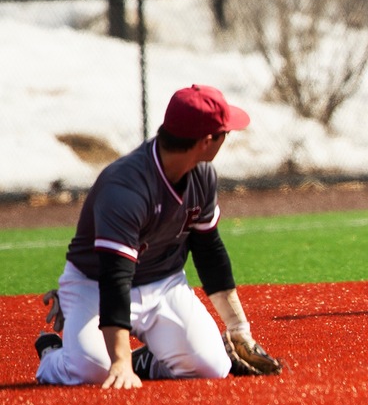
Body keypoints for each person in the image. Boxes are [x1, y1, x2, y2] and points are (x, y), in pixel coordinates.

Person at [35, 84, 283, 387]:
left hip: (163, 283)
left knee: (213, 365)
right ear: (206, 141)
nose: (227, 138)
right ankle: (54, 353)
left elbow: (209, 251)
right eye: (224, 133)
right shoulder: (125, 187)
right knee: (93, 371)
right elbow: (115, 276)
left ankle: (149, 360)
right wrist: (120, 362)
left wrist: (239, 327)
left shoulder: (203, 175)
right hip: (96, 286)